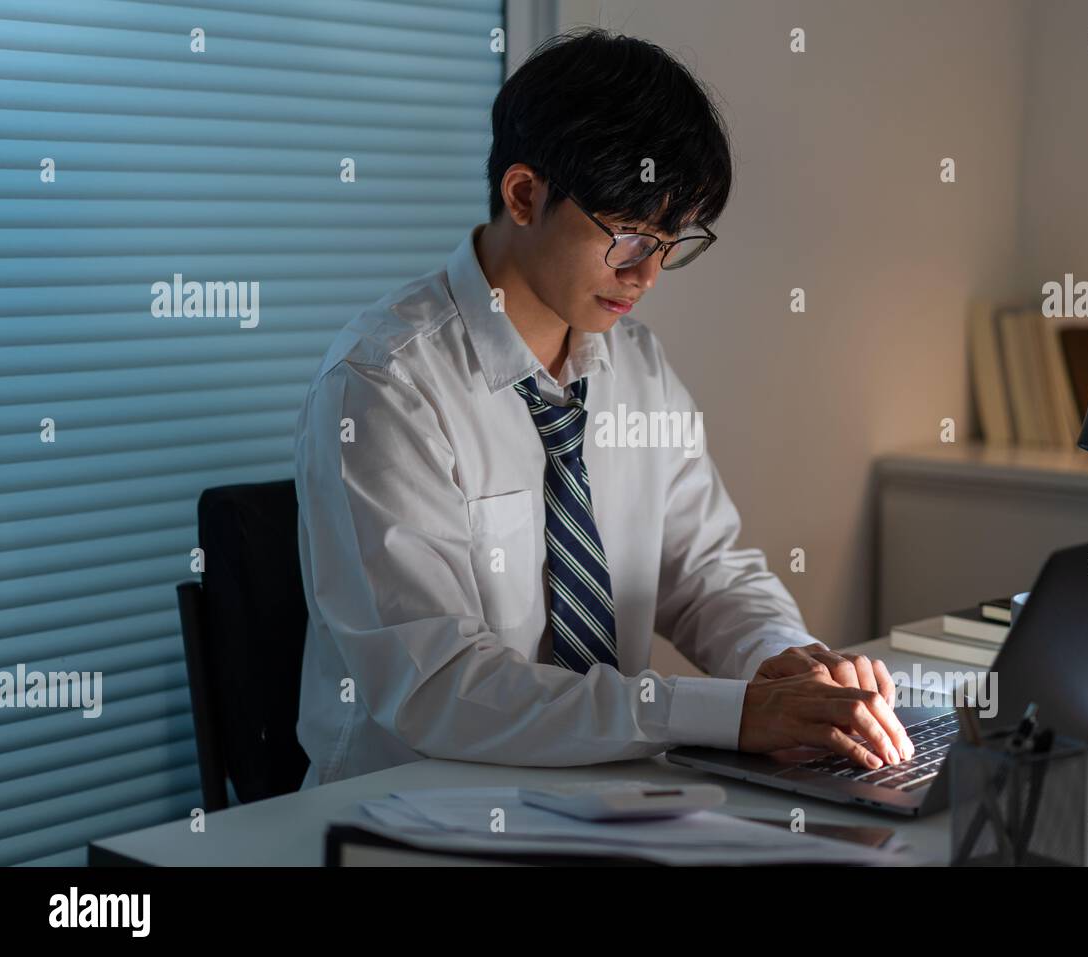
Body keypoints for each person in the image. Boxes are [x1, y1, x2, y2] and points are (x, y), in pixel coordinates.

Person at [294, 28, 913, 787]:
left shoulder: (635, 365)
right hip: (412, 807)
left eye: (671, 240)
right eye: (627, 237)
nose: (648, 274)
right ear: (524, 195)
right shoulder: (384, 384)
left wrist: (780, 659)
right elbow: (439, 689)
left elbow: (707, 568)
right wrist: (727, 714)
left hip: (604, 791)